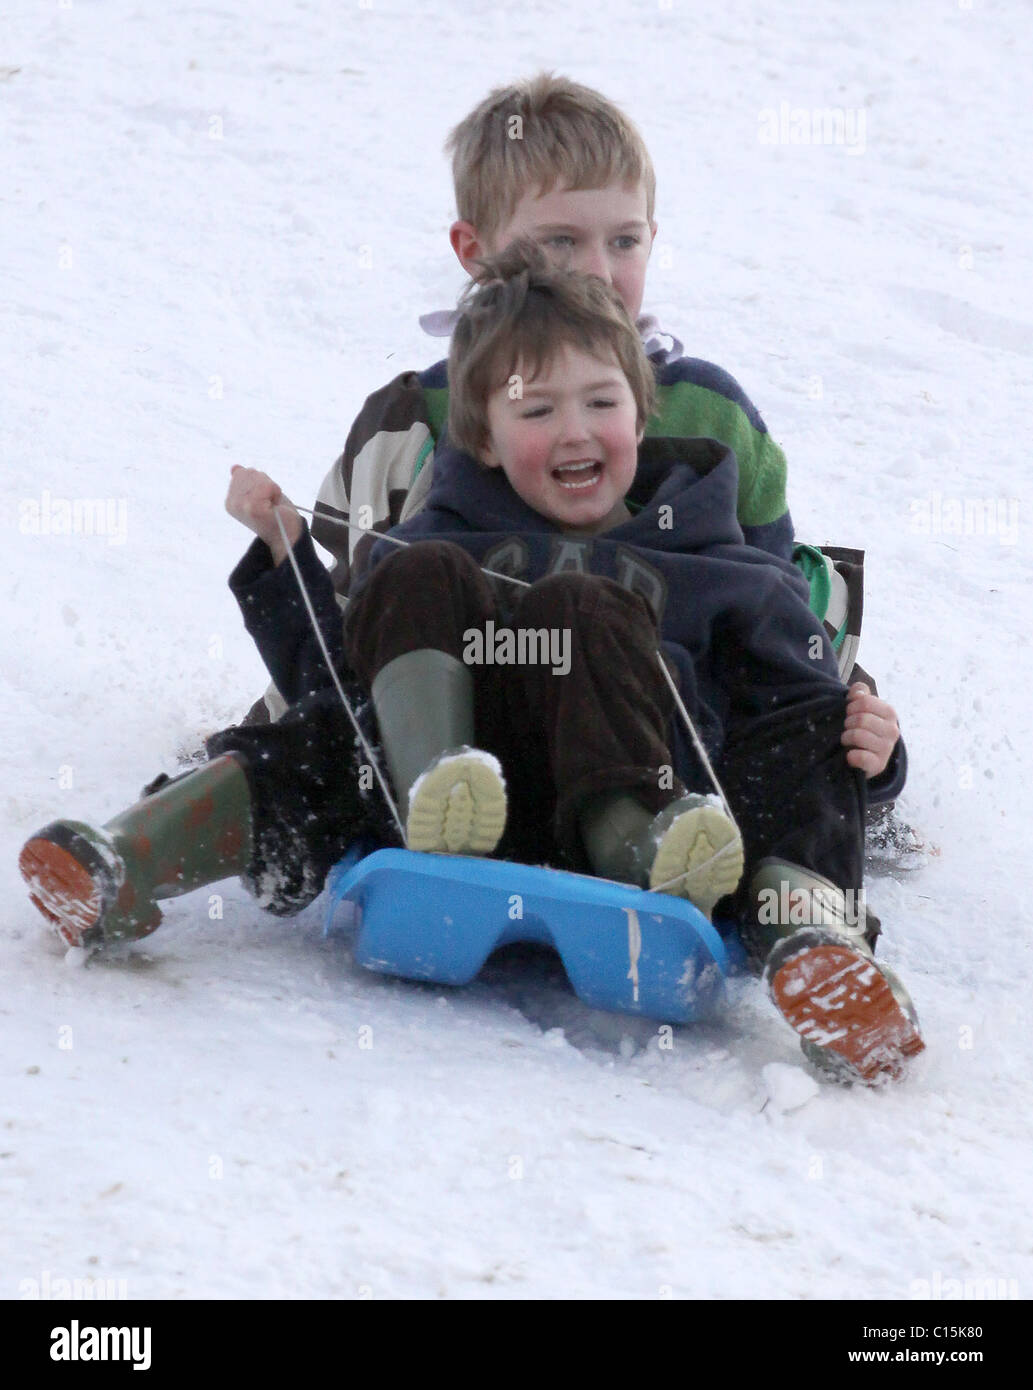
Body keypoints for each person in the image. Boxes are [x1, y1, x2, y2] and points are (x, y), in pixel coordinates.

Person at [19, 244, 924, 1086]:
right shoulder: (433, 541)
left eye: (600, 403)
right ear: (482, 436)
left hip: (659, 830)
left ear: (641, 411)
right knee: (355, 684)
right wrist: (288, 555)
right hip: (428, 798)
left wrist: (872, 757)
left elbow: (794, 715)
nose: (575, 432)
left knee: (648, 637)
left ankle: (808, 948)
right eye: (537, 410)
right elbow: (331, 679)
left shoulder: (715, 563)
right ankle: (128, 865)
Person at [242, 71, 907, 846]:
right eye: (560, 241)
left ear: (652, 237)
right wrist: (290, 732)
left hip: (666, 739)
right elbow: (367, 619)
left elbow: (772, 609)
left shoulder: (710, 414)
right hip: (460, 744)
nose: (596, 269)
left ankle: (660, 840)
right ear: (473, 249)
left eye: (622, 240)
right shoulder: (414, 420)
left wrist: (848, 736)